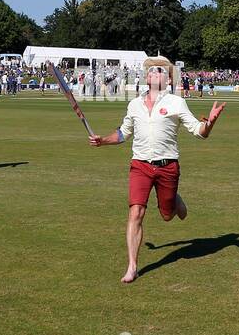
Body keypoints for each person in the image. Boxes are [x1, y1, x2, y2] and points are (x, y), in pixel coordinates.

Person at [89, 55, 225, 284]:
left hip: (167, 167)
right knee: (136, 212)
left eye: (161, 70)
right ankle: (132, 266)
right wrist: (103, 140)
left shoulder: (176, 103)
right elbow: (123, 133)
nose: (155, 72)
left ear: (169, 79)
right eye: (152, 70)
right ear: (146, 76)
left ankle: (174, 200)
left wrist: (209, 123)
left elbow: (199, 132)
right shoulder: (134, 104)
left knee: (168, 215)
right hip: (140, 165)